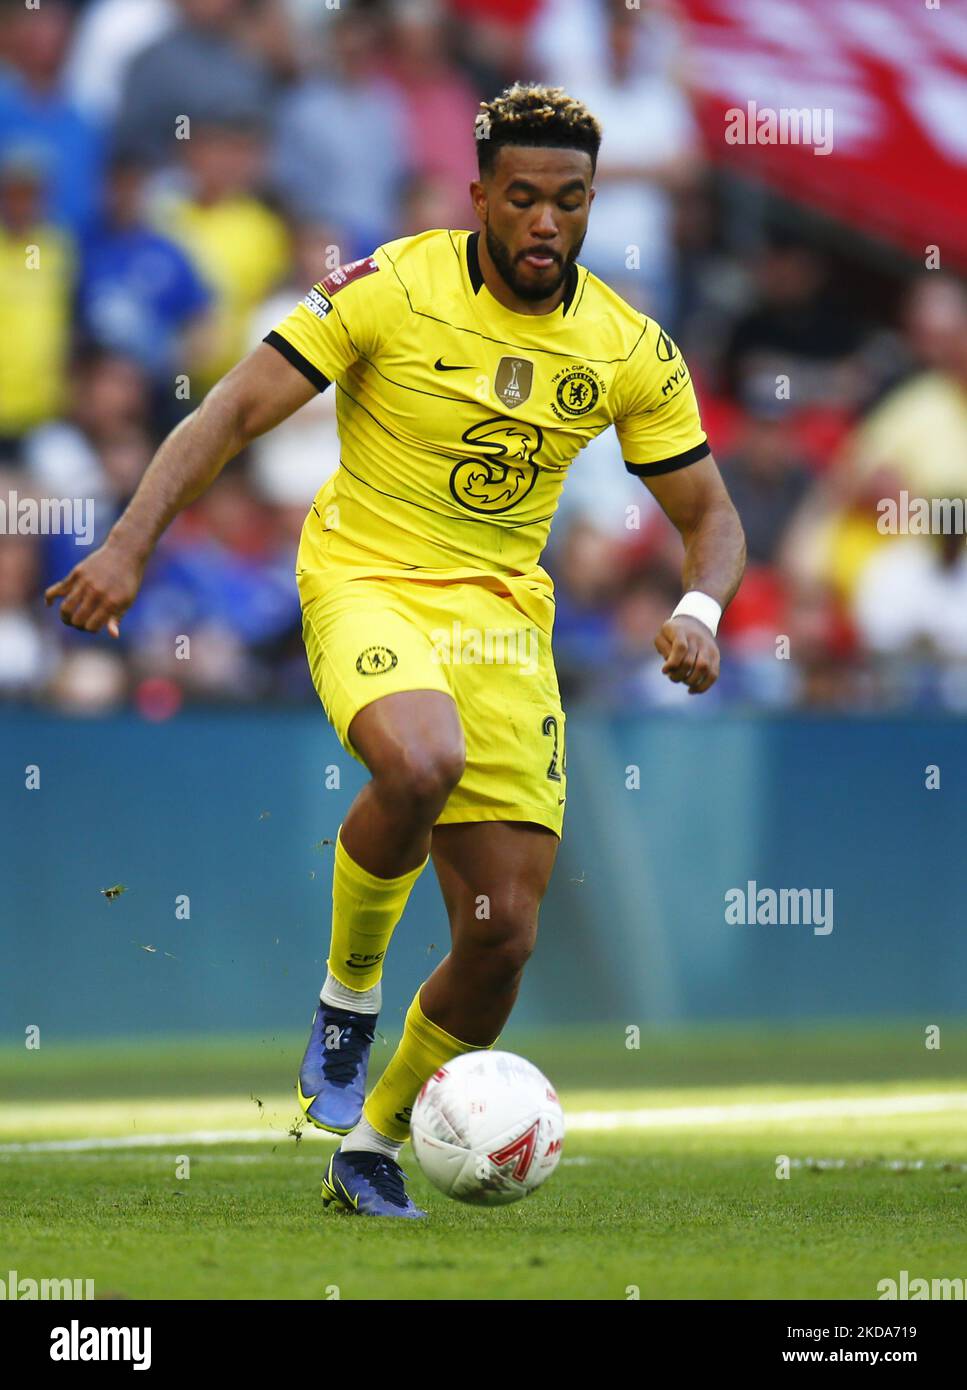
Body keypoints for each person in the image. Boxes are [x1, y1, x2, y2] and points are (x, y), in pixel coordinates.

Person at [46, 83, 746, 1218]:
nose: (543, 225)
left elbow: (710, 516)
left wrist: (700, 612)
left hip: (506, 624)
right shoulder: (391, 286)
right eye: (520, 199)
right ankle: (346, 994)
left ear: (589, 204)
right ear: (478, 194)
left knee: (503, 937)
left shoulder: (626, 346)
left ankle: (371, 1142)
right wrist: (128, 545)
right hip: (368, 577)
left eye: (567, 203)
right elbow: (229, 409)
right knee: (419, 761)